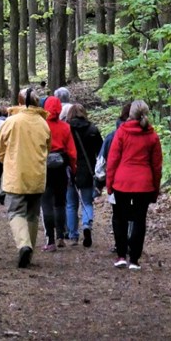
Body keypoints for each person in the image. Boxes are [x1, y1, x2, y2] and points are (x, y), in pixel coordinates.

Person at [0, 87, 51, 268]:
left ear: (19, 102)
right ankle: (29, 250)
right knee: (32, 215)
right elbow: (47, 150)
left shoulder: (11, 122)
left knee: (16, 211)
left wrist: (9, 162)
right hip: (37, 176)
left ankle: (24, 245)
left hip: (16, 176)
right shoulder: (43, 124)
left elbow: (0, 150)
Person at [106, 99, 162, 271]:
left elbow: (113, 160)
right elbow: (157, 165)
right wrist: (155, 188)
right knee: (139, 220)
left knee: (119, 218)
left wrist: (109, 185)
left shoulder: (121, 132)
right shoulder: (152, 136)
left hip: (122, 182)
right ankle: (135, 260)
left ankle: (121, 255)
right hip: (144, 184)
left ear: (130, 114)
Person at [40, 96, 78, 251]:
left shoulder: (41, 126)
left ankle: (50, 240)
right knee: (60, 203)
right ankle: (61, 236)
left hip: (44, 167)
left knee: (46, 202)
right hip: (61, 167)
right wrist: (73, 169)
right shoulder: (65, 127)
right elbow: (72, 152)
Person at [94, 101, 132, 246]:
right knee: (134, 214)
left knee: (118, 214)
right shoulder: (148, 135)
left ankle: (120, 245)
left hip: (117, 180)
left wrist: (101, 180)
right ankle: (131, 243)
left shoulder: (112, 136)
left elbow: (102, 161)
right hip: (140, 182)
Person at [66, 104, 103, 248]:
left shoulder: (66, 129)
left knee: (71, 204)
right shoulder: (92, 129)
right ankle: (87, 225)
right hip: (88, 170)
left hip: (70, 169)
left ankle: (73, 234)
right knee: (87, 202)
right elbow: (100, 152)